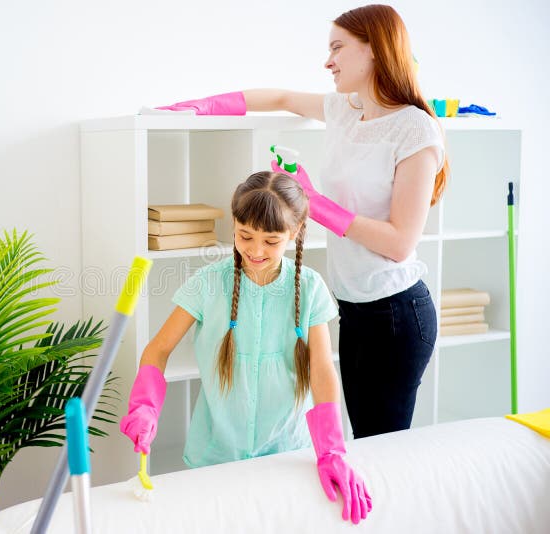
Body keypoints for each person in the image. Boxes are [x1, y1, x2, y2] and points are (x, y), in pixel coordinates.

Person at [155, 4, 446, 440]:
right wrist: (205, 105)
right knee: (363, 440)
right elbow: (281, 99)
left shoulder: (415, 129)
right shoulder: (347, 109)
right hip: (353, 307)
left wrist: (314, 202)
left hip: (396, 313)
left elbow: (400, 243)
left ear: (374, 49)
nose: (328, 61)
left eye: (337, 48)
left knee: (381, 446)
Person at [121, 172, 372, 524]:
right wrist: (145, 405)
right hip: (215, 456)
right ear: (234, 225)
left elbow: (321, 369)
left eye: (271, 241)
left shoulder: (310, 287)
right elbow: (159, 349)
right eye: (245, 236)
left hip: (287, 453)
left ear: (296, 231)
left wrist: (331, 450)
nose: (255, 251)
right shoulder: (208, 283)